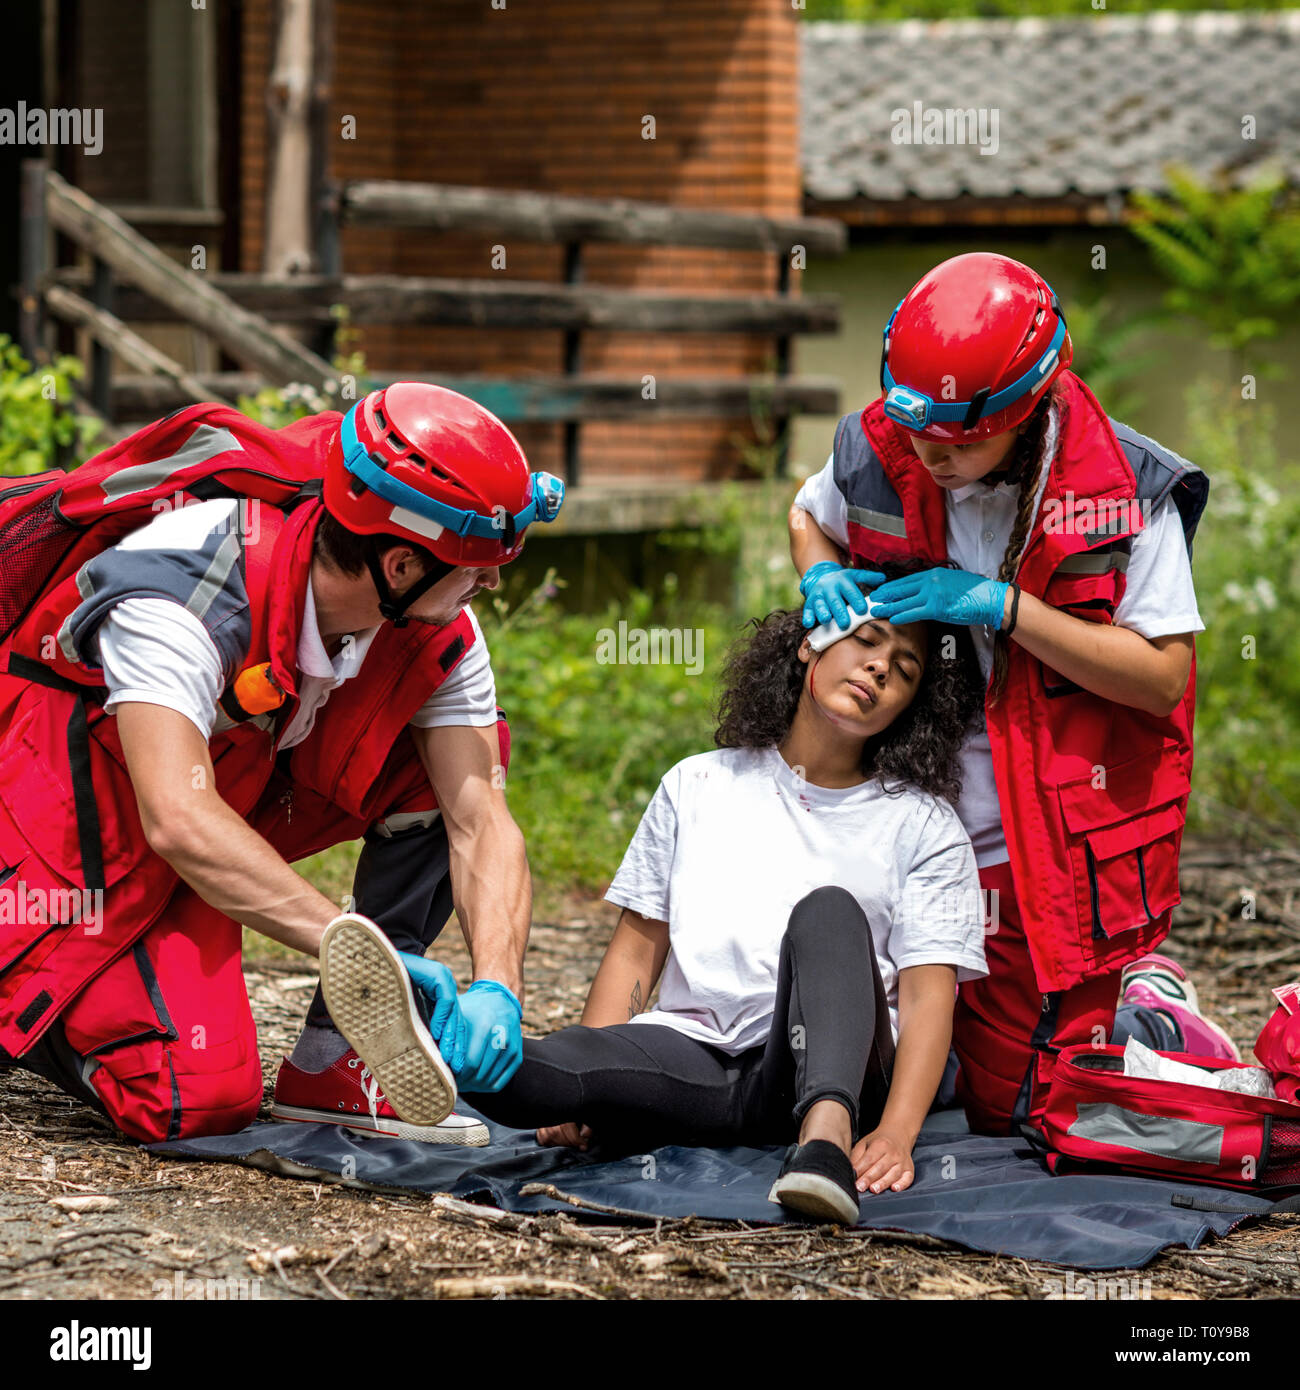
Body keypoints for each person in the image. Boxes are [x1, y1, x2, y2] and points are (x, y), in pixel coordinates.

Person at [331, 571, 993, 1223]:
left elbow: (929, 997)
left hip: (834, 1071)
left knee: (828, 912)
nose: (880, 670)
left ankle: (822, 1152)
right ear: (810, 644)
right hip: (696, 1058)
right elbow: (636, 954)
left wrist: (898, 1132)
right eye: (868, 642)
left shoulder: (923, 824)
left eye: (905, 669)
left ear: (911, 704)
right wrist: (585, 1083)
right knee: (551, 1071)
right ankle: (439, 1042)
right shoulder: (698, 785)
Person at [0, 383, 562, 1146]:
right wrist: (350, 943)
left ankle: (339, 1058)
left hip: (220, 790)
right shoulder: (181, 592)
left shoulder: (431, 621)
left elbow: (479, 816)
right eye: (478, 566)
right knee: (189, 1098)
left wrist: (500, 981)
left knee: (442, 766)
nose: (492, 583)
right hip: (74, 808)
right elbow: (178, 817)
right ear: (400, 566)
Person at [787, 251, 1236, 1139]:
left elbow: (1162, 679)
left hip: (1049, 846)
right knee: (856, 1053)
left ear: (1026, 414)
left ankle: (1149, 1009)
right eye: (920, 437)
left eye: (961, 443)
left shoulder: (1124, 491)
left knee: (1018, 1108)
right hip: (907, 807)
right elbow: (811, 514)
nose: (932, 458)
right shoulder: (886, 441)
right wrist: (818, 579)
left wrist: (1006, 608)